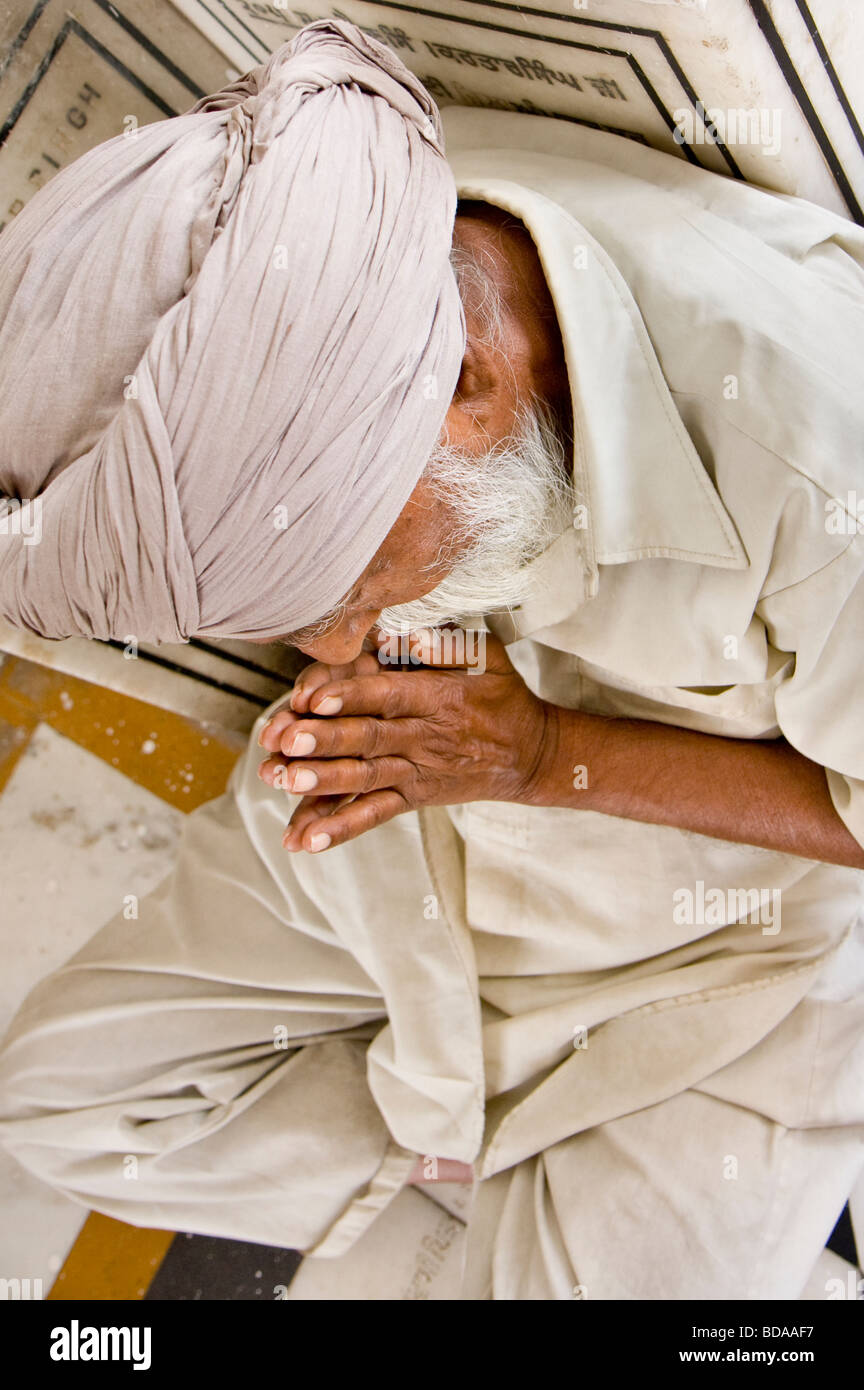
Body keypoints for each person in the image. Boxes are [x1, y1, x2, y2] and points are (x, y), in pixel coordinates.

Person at [0, 18, 862, 1299]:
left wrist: (545, 755)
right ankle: (505, 1171)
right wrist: (443, 719)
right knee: (66, 1105)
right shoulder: (362, 239)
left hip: (726, 922)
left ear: (466, 384)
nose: (338, 647)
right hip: (417, 787)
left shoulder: (821, 439)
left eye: (341, 591)